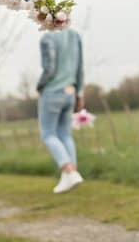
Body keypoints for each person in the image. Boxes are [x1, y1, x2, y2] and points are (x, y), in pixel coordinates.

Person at [36, 27, 86, 194]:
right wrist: (79, 93)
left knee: (48, 134)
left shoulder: (48, 38)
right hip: (70, 91)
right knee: (65, 134)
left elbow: (49, 68)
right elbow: (80, 67)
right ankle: (70, 175)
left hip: (52, 92)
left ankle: (70, 172)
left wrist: (40, 86)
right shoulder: (74, 36)